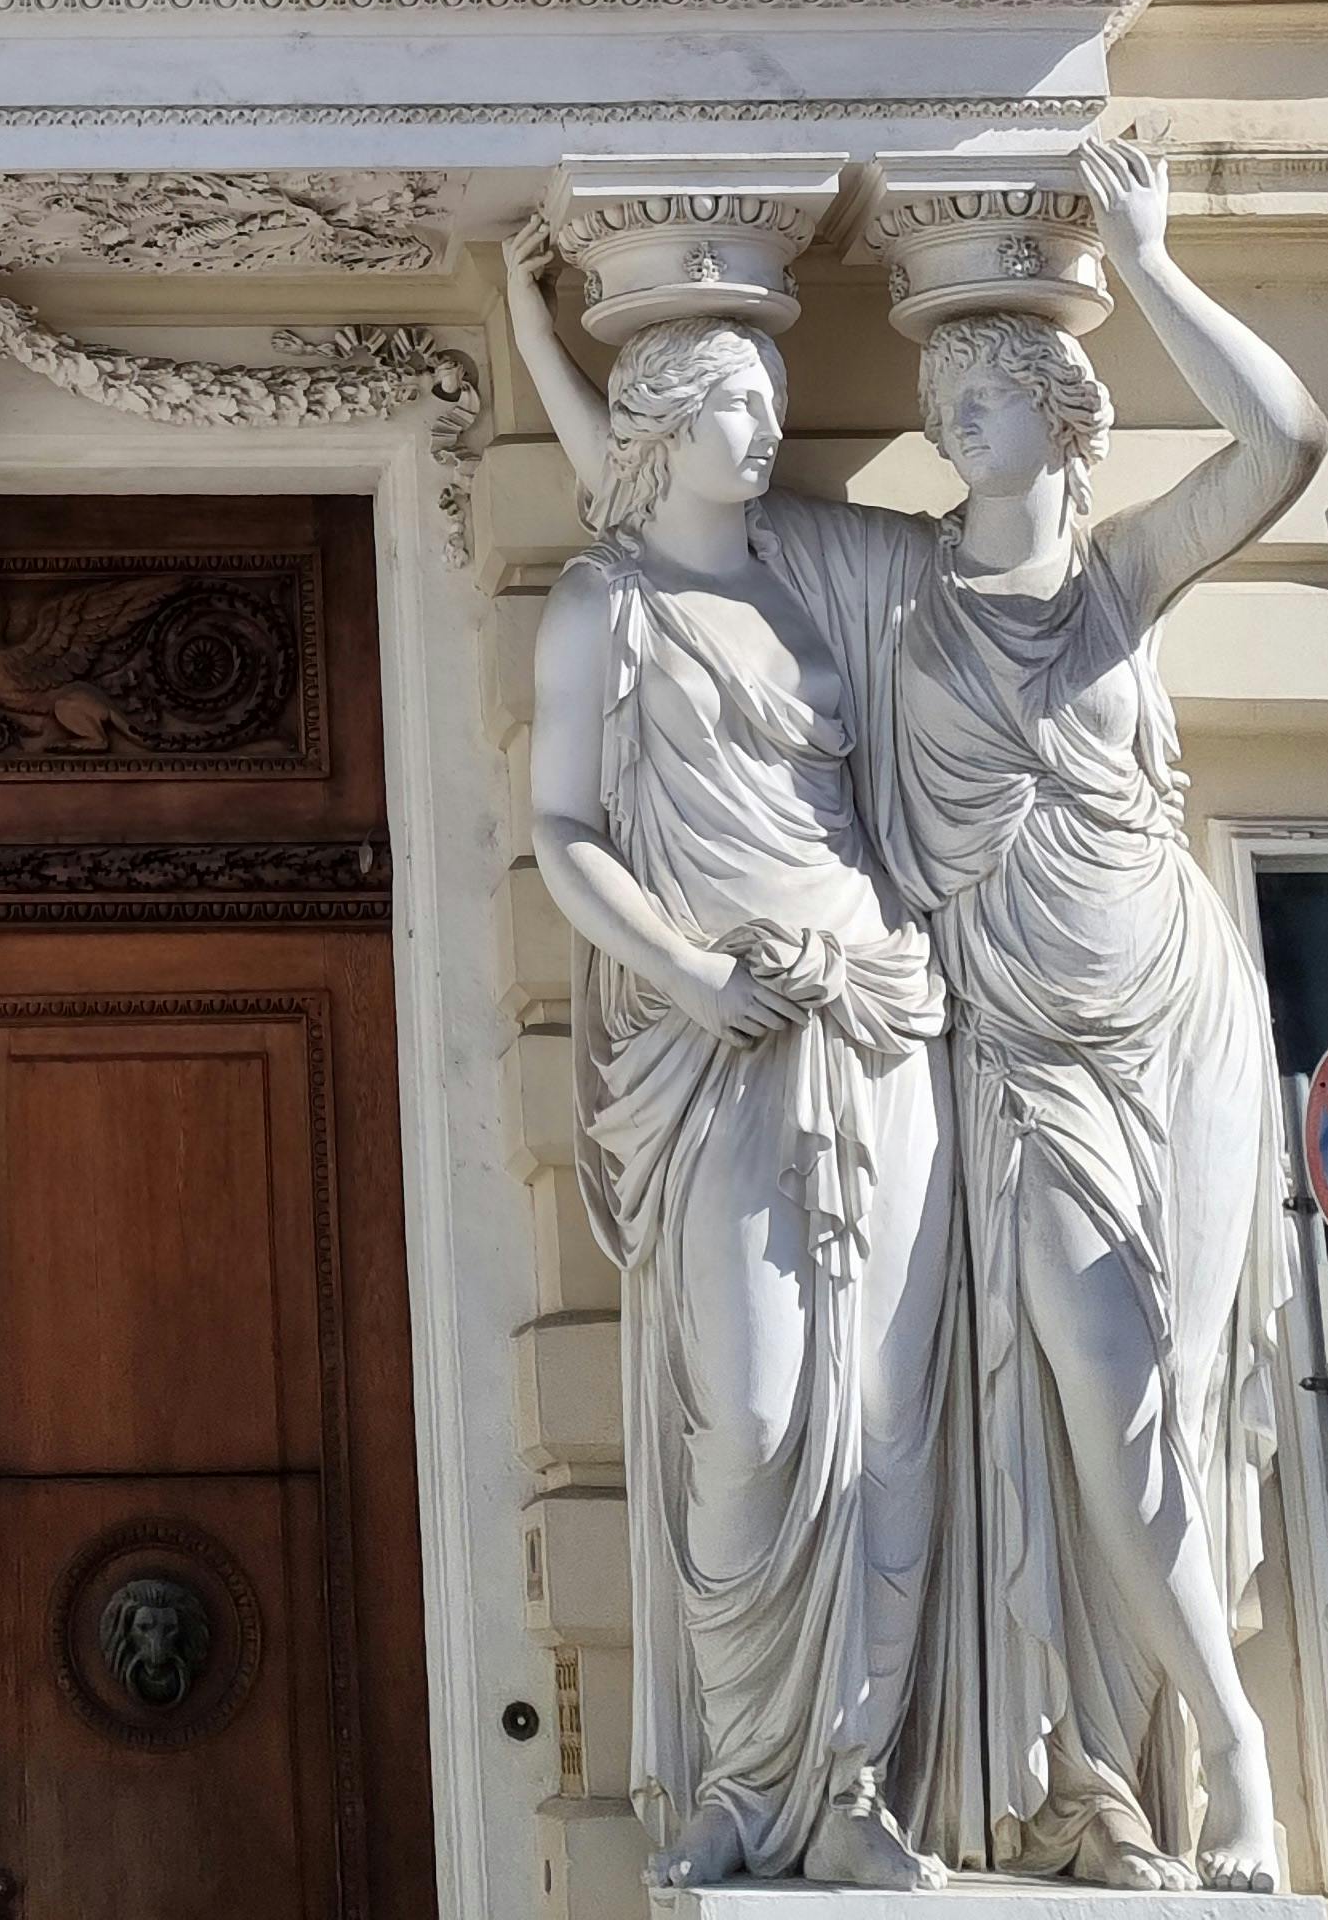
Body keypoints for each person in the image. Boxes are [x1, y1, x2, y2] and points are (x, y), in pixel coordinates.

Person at [824, 140, 1327, 1892]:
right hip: (1023, 1060)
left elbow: (1285, 445)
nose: (957, 405)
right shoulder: (892, 594)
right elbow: (687, 525)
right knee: (1104, 1399)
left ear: (1065, 417)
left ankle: (1207, 1764)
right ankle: (1228, 1752)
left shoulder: (1118, 580)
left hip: (1172, 1018)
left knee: (1175, 1406)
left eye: (989, 385)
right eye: (945, 386)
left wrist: (1151, 256)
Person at [507, 236, 970, 1894]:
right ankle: (744, 1775)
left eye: (774, 393)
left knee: (890, 1422)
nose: (766, 423)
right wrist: (693, 974)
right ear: (665, 425)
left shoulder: (826, 573)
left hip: (874, 1014)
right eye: (730, 401)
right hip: (718, 1037)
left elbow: (995, 562)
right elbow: (561, 834)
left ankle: (855, 1785)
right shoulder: (601, 604)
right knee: (760, 1420)